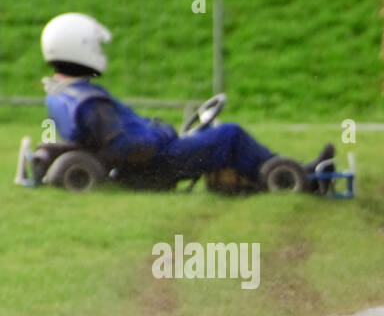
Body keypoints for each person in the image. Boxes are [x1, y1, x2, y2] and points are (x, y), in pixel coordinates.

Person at [39, 12, 333, 191]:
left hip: (152, 156)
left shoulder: (64, 94)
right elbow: (131, 147)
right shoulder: (90, 103)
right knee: (229, 134)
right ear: (79, 49)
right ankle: (302, 178)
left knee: (212, 133)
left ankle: (255, 180)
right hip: (159, 161)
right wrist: (163, 132)